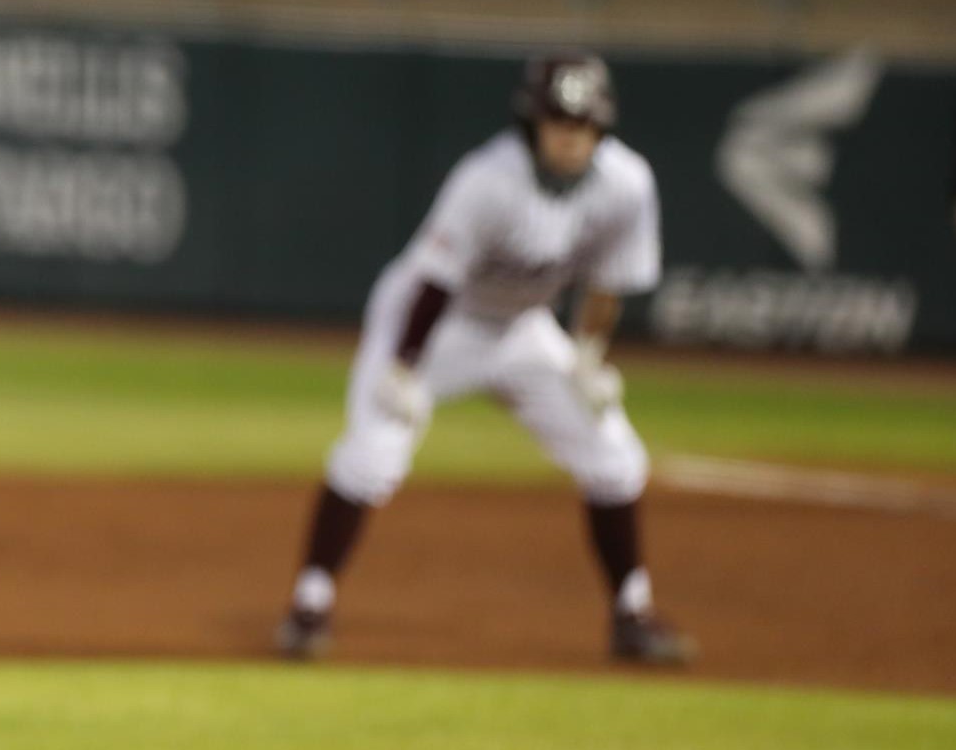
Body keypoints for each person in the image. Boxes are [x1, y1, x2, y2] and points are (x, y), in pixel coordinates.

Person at [275, 55, 694, 667]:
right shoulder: (488, 180)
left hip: (522, 329)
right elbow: (435, 281)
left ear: (602, 127)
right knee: (371, 458)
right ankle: (309, 604)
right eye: (558, 122)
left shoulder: (627, 184)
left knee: (614, 456)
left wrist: (587, 358)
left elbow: (609, 282)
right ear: (532, 123)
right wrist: (403, 367)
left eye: (583, 124)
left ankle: (632, 614)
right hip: (433, 324)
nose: (570, 136)